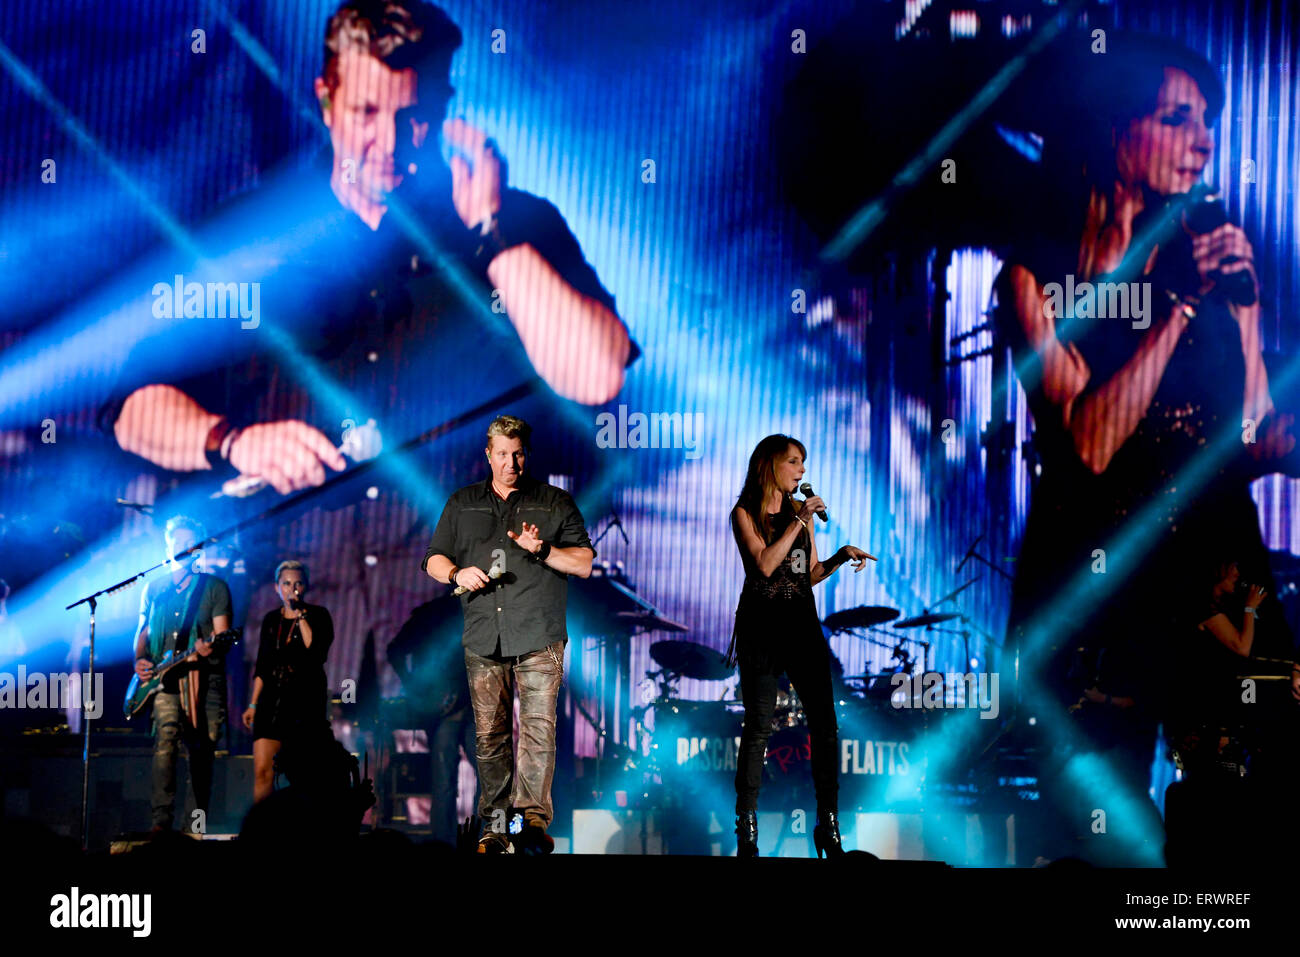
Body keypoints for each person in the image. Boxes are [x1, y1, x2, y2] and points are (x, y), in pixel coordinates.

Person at [993, 33, 1299, 862]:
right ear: (1109, 128)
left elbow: (1247, 434)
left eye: (1209, 122)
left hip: (1213, 567)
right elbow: (1087, 446)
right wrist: (1177, 308)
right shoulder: (1035, 279)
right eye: (1176, 118)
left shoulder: (1215, 254)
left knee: (1243, 807)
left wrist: (1247, 316)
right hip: (1097, 575)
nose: (1203, 142)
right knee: (1100, 817)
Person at [421, 415, 594, 853]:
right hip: (484, 635)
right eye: (502, 454)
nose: (510, 462)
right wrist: (458, 571)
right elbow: (433, 559)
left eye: (517, 453)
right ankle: (496, 828)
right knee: (489, 734)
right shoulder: (462, 504)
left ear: (526, 453)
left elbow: (584, 563)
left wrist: (543, 549)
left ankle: (532, 823)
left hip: (539, 631)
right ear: (488, 454)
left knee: (538, 730)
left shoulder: (554, 502)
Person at [727, 434, 872, 858]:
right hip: (761, 628)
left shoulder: (800, 516)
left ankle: (828, 823)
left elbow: (805, 573)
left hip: (802, 627)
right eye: (795, 462)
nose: (802, 470)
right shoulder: (744, 513)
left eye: (804, 463)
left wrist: (841, 556)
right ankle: (746, 827)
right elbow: (766, 564)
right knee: (758, 727)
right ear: (771, 464)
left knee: (825, 725)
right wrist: (798, 519)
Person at [133, 516, 232, 833]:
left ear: (198, 549)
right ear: (167, 545)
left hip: (206, 682)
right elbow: (143, 631)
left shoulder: (214, 587)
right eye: (175, 542)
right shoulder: (154, 588)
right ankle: (160, 824)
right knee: (165, 745)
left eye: (188, 543)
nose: (181, 548)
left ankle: (196, 827)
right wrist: (139, 660)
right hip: (164, 681)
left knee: (202, 751)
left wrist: (210, 648)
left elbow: (223, 636)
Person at [386, 594, 476, 847]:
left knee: (473, 775)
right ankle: (447, 842)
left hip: (471, 704)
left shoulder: (478, 609)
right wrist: (414, 686)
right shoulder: (432, 613)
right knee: (447, 778)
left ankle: (476, 838)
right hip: (444, 708)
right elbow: (395, 650)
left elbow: (395, 651)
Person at [243, 561, 335, 803]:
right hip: (271, 701)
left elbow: (316, 652)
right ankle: (261, 831)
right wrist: (253, 703)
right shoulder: (271, 620)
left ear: (305, 587)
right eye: (286, 583)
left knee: (302, 774)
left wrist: (301, 615)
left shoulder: (319, 615)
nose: (292, 588)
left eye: (298, 583)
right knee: (263, 771)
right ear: (277, 588)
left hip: (304, 701)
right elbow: (262, 664)